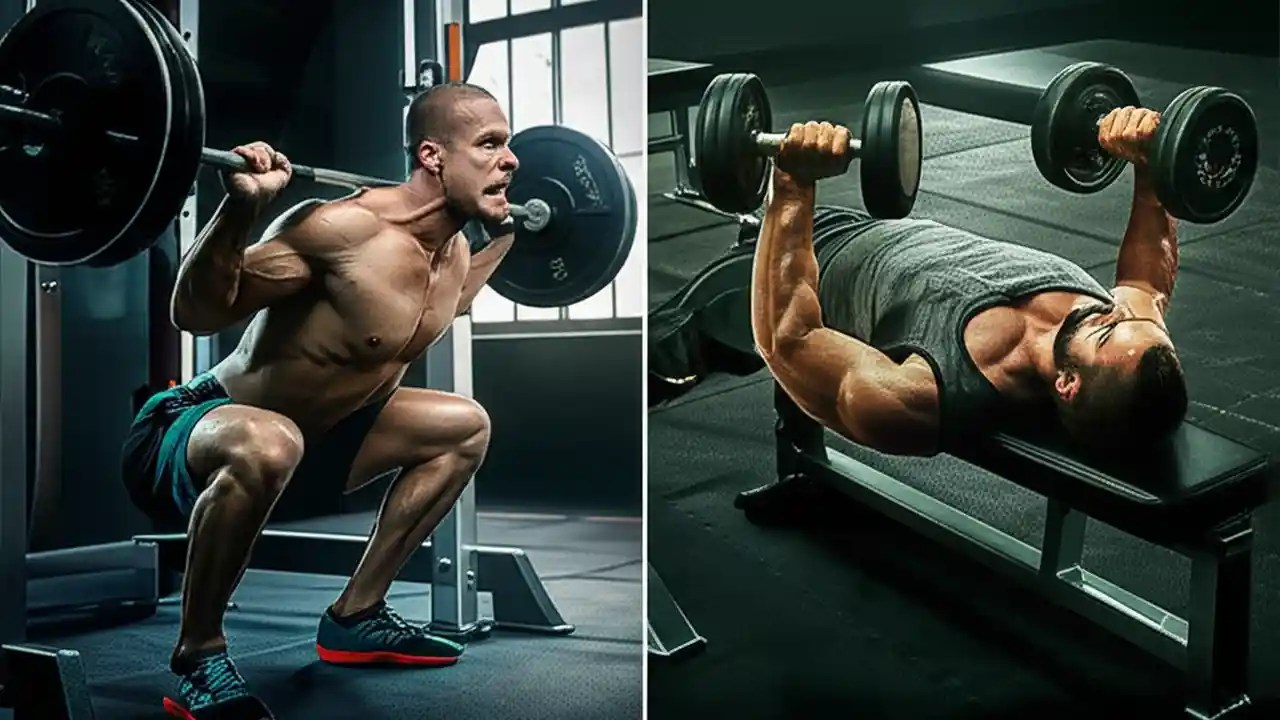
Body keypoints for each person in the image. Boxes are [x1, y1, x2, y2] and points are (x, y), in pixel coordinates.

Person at [121, 82, 518, 720]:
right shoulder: (342, 228)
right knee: (272, 439)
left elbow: (450, 299)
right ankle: (198, 656)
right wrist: (239, 212)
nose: (511, 160)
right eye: (491, 145)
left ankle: (355, 615)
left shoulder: (455, 250)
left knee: (464, 426)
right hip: (191, 434)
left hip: (314, 446)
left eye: (510, 146)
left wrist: (517, 233)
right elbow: (193, 313)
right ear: (432, 156)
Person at [665, 105, 1187, 456]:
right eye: (1131, 317)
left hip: (797, 267)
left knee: (656, 357)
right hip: (866, 227)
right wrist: (1150, 165)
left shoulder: (921, 395)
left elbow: (789, 337)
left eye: (1107, 329)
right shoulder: (1126, 335)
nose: (1115, 310)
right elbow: (1147, 280)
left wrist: (793, 183)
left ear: (1068, 385)